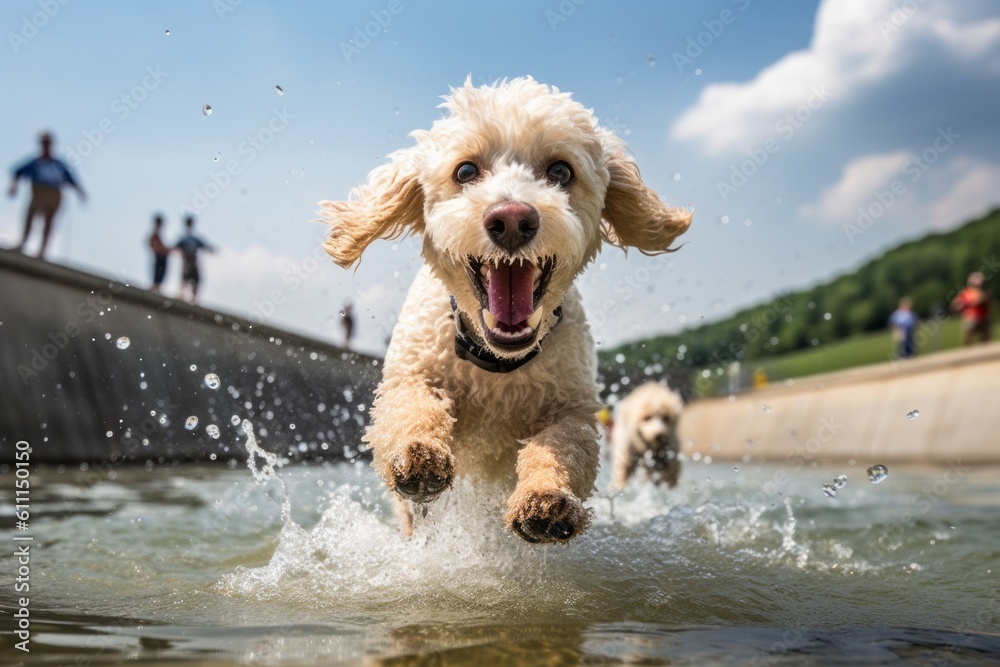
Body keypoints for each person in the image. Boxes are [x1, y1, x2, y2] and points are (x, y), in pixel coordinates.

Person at [7, 131, 86, 259]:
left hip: (54, 195)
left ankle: (42, 251)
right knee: (31, 215)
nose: (45, 145)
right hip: (38, 193)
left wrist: (80, 192)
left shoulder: (58, 164)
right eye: (43, 143)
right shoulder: (36, 162)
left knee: (48, 221)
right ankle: (22, 243)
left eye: (47, 143)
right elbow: (17, 172)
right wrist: (13, 186)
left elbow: (71, 180)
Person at [174, 215, 215, 304]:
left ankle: (194, 299)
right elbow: (175, 248)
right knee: (185, 280)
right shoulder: (184, 239)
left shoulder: (193, 239)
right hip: (187, 262)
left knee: (194, 281)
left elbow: (206, 246)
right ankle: (182, 296)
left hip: (193, 262)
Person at [951, 272, 992, 346]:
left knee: (985, 339)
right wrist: (957, 305)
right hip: (971, 319)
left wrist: (967, 304)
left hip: (983, 318)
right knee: (967, 337)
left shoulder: (984, 292)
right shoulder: (965, 292)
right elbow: (956, 303)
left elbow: (982, 300)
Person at [148, 214, 170, 293]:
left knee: (161, 272)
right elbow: (150, 243)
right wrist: (157, 250)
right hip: (159, 256)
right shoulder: (155, 233)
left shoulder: (157, 233)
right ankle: (156, 287)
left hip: (161, 255)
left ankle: (157, 287)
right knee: (159, 271)